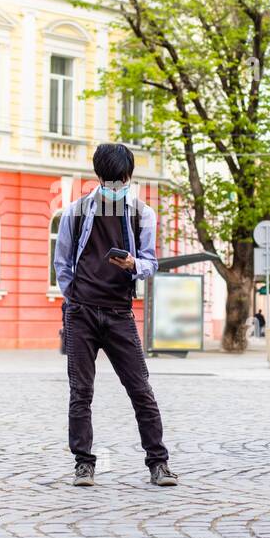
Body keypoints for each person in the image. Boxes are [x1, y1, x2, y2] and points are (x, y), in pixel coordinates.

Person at [54, 143, 177, 488]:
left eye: (119, 181)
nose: (114, 187)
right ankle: (84, 464)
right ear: (99, 178)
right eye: (108, 181)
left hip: (119, 312)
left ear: (129, 178)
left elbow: (151, 263)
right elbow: (62, 263)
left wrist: (132, 264)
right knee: (81, 391)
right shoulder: (75, 212)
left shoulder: (142, 214)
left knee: (141, 389)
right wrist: (75, 297)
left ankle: (159, 463)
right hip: (81, 314)